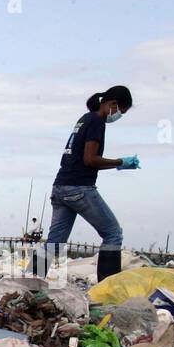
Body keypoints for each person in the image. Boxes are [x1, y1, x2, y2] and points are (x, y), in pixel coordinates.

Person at [42, 85, 138, 282]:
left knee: (54, 243)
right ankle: (108, 287)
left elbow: (84, 158)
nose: (118, 116)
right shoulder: (96, 121)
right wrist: (120, 162)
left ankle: (27, 282)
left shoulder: (84, 119)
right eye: (121, 111)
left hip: (60, 187)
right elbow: (90, 159)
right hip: (79, 188)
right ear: (112, 104)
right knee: (113, 234)